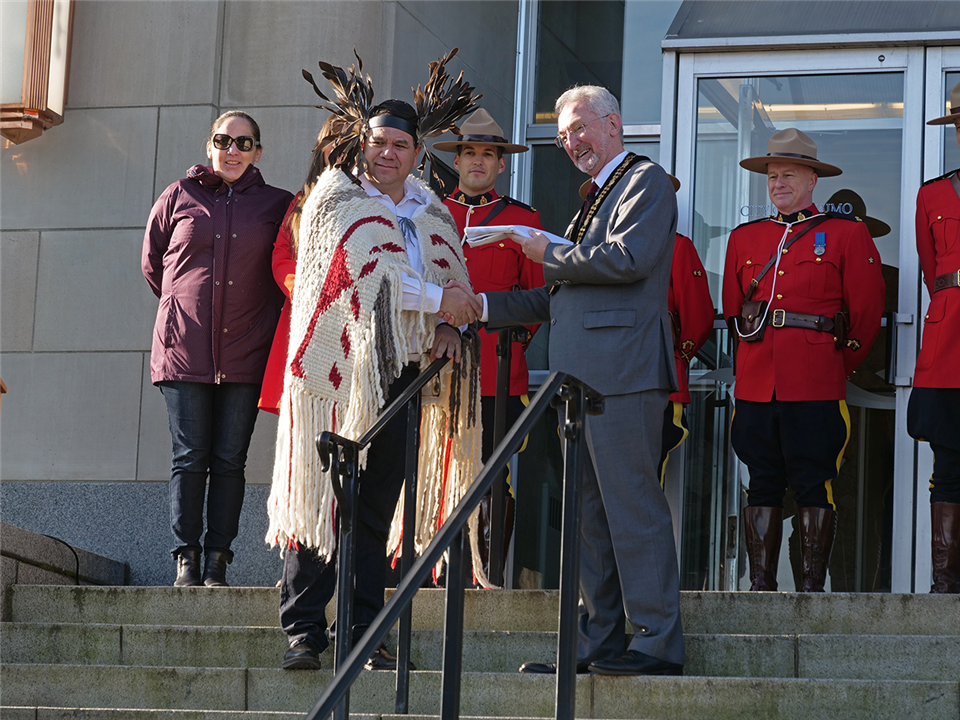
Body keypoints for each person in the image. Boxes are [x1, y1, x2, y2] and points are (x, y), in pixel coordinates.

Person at [450, 85, 685, 676]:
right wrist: (478, 306)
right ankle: (597, 640)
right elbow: (558, 295)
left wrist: (538, 248)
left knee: (633, 510)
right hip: (581, 380)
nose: (571, 143)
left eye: (579, 128)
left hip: (625, 375)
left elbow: (627, 258)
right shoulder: (596, 196)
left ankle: (656, 642)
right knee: (589, 519)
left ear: (613, 123)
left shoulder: (645, 181)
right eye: (562, 136)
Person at [267, 58, 483, 672]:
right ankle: (305, 631)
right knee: (324, 497)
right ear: (363, 142)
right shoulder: (336, 196)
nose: (385, 154)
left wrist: (447, 319)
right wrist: (443, 301)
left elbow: (453, 281)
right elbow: (371, 279)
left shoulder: (432, 210)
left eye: (398, 145)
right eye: (377, 142)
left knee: (375, 503)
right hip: (335, 372)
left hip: (404, 374)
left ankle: (363, 632)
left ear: (418, 151)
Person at [722, 128, 885, 593]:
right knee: (762, 481)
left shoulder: (845, 234)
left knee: (815, 482)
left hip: (815, 380)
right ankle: (761, 585)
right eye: (772, 176)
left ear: (813, 180)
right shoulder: (745, 239)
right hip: (757, 383)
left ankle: (812, 586)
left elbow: (867, 311)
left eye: (788, 174)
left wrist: (839, 363)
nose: (778, 183)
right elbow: (734, 309)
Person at [142, 111, 293, 587]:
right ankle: (186, 557)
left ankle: (217, 561)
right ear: (210, 145)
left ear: (258, 152)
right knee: (189, 455)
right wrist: (184, 311)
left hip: (248, 354)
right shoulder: (178, 196)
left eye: (244, 144)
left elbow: (287, 266)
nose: (233, 151)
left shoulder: (278, 205)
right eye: (224, 141)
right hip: (184, 349)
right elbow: (153, 266)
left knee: (230, 459)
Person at [434, 108, 545, 585]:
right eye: (469, 153)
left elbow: (537, 300)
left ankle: (489, 576)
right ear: (456, 162)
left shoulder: (523, 220)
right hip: (434, 368)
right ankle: (441, 573)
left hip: (499, 371)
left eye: (488, 154)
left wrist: (501, 337)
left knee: (492, 475)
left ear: (502, 165)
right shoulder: (431, 213)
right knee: (438, 472)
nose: (477, 162)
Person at [907, 80, 960, 594]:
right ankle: (945, 585)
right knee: (948, 463)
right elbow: (931, 272)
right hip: (948, 344)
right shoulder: (932, 193)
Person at [658, 176, 715, 486]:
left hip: (658, 381)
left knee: (647, 479)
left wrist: (675, 357)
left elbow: (698, 315)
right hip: (605, 384)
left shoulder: (677, 247)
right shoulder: (595, 251)